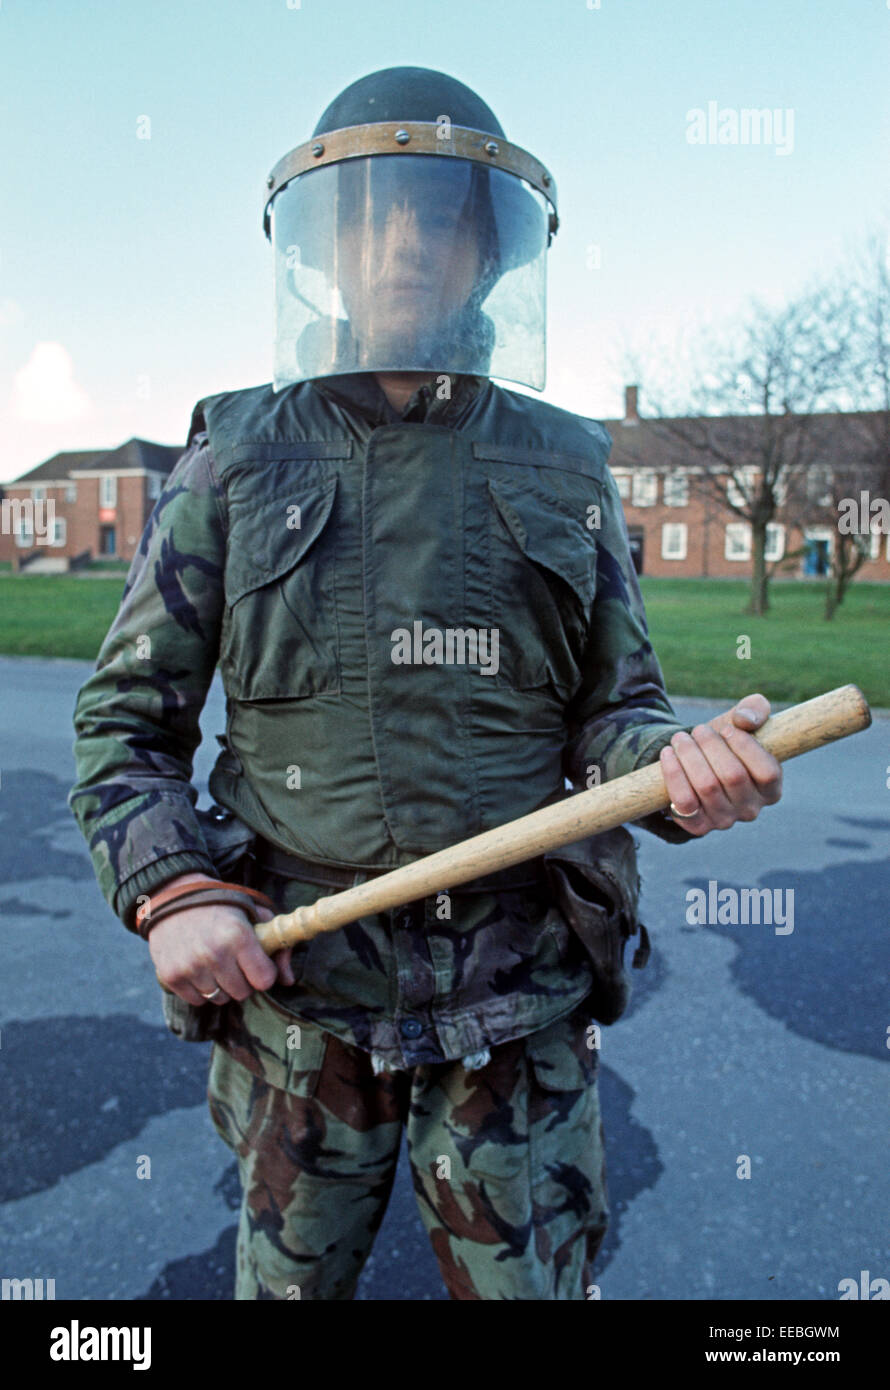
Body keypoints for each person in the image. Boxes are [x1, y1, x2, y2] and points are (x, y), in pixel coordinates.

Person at [68, 66, 782, 1301]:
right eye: (374, 215)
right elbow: (127, 724)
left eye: (438, 216)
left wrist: (675, 772)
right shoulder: (235, 455)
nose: (405, 243)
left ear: (485, 252)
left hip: (516, 1005)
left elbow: (617, 713)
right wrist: (170, 890)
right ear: (328, 250)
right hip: (302, 1002)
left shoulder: (566, 465)